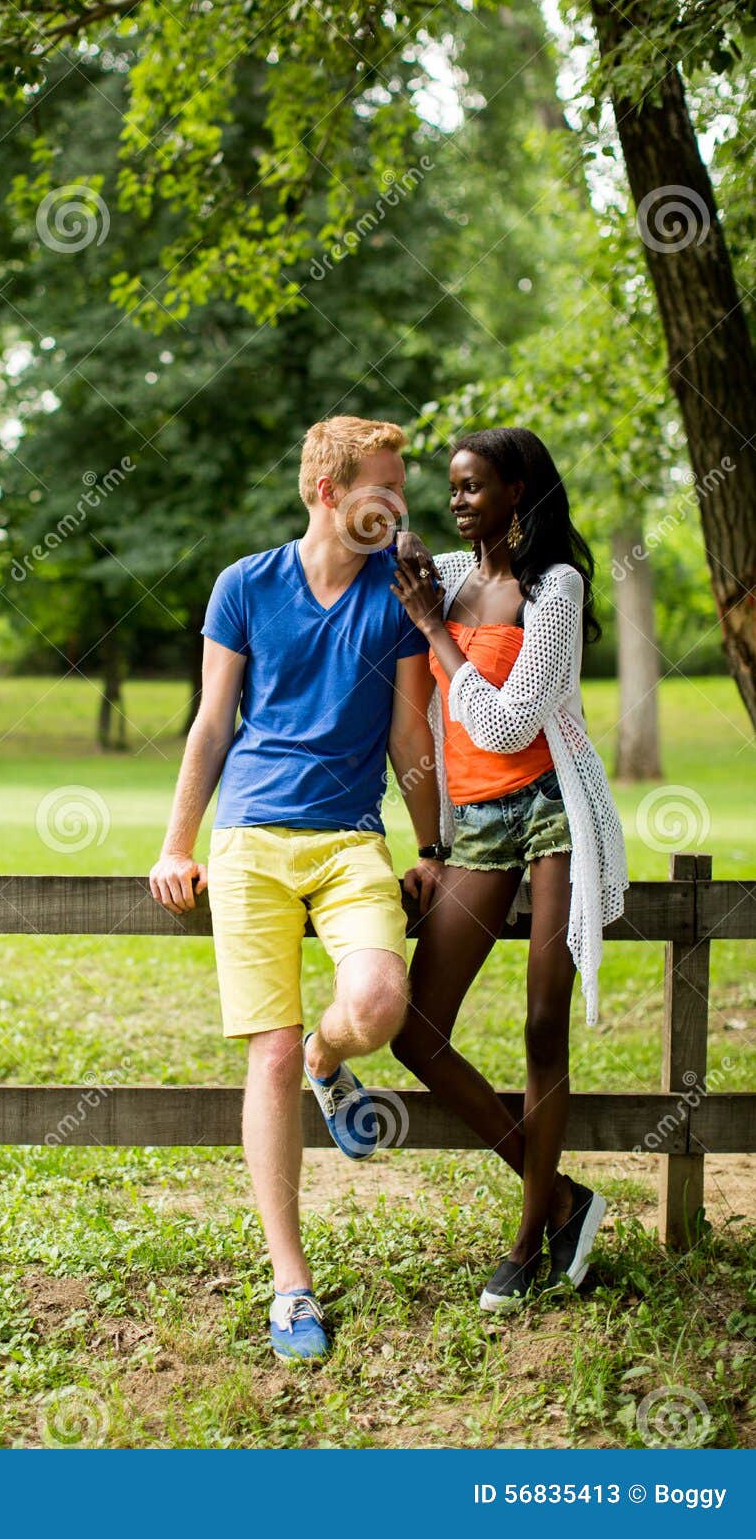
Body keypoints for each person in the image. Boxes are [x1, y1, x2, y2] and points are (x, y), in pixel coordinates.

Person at [149, 415, 445, 1363]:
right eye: (383, 489)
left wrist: (430, 844)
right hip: (246, 844)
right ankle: (291, 1287)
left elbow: (409, 738)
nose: (399, 505)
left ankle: (331, 1055)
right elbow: (210, 726)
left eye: (402, 490)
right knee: (263, 1054)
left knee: (378, 1003)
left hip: (351, 841)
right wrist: (175, 844)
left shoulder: (395, 599)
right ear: (328, 490)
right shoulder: (244, 585)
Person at [391, 427, 628, 1312]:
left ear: (519, 489)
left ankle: (527, 1241)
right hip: (478, 826)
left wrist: (431, 631)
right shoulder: (447, 577)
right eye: (449, 489)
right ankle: (563, 1198)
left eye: (475, 487)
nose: (458, 502)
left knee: (539, 1022)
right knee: (415, 1031)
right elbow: (373, 549)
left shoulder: (553, 588)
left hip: (552, 809)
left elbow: (504, 726)